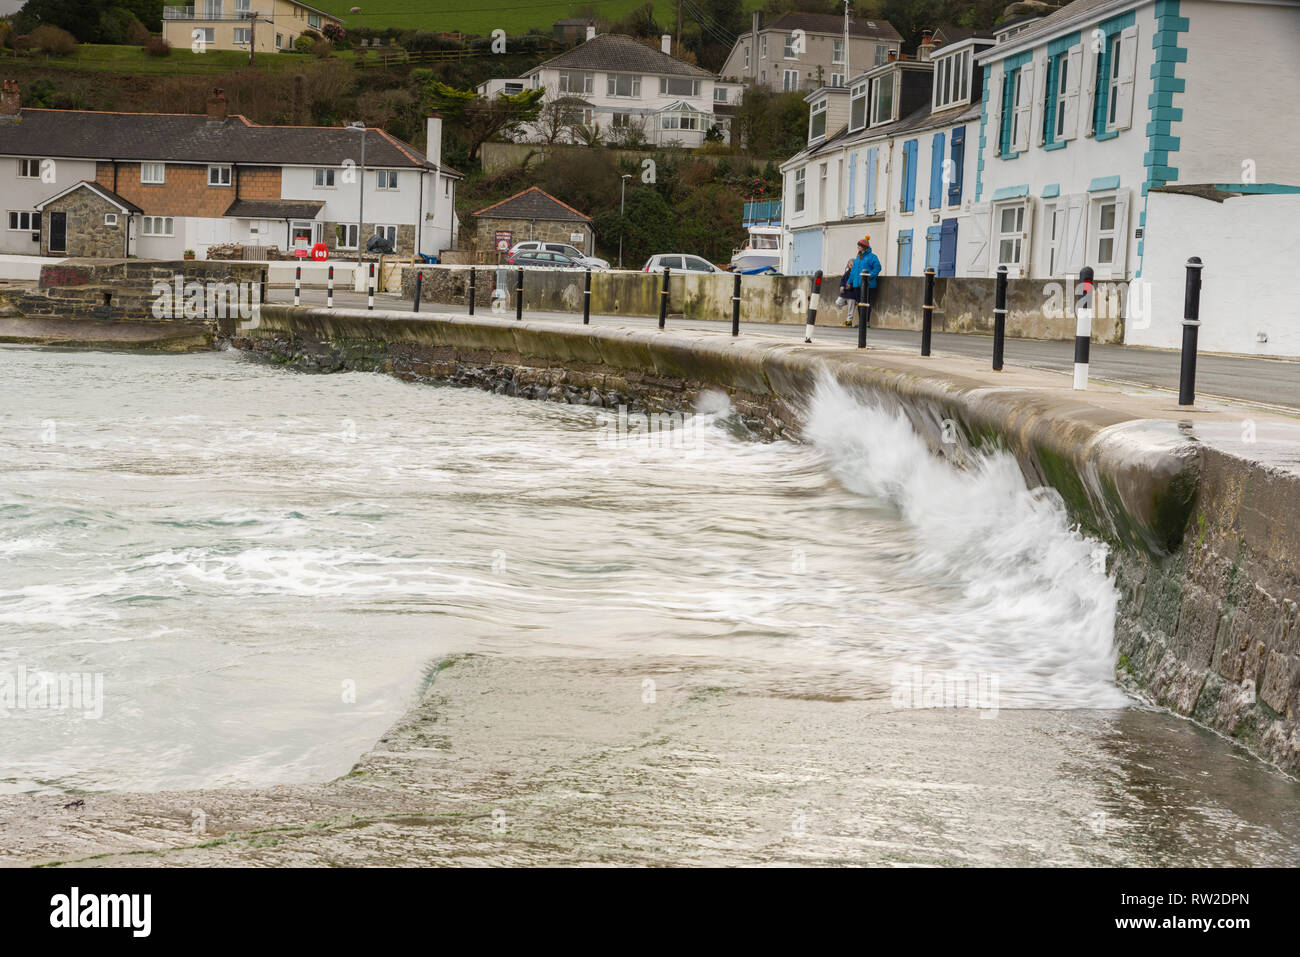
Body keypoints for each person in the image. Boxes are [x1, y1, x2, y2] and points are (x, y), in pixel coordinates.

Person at [841, 236, 881, 327]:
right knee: (859, 303)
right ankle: (861, 322)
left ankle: (866, 322)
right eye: (858, 245)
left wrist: (869, 276)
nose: (858, 247)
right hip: (857, 284)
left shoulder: (872, 257)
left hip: (868, 285)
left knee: (866, 303)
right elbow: (853, 271)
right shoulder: (858, 258)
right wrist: (849, 281)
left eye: (860, 245)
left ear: (864, 247)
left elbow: (877, 267)